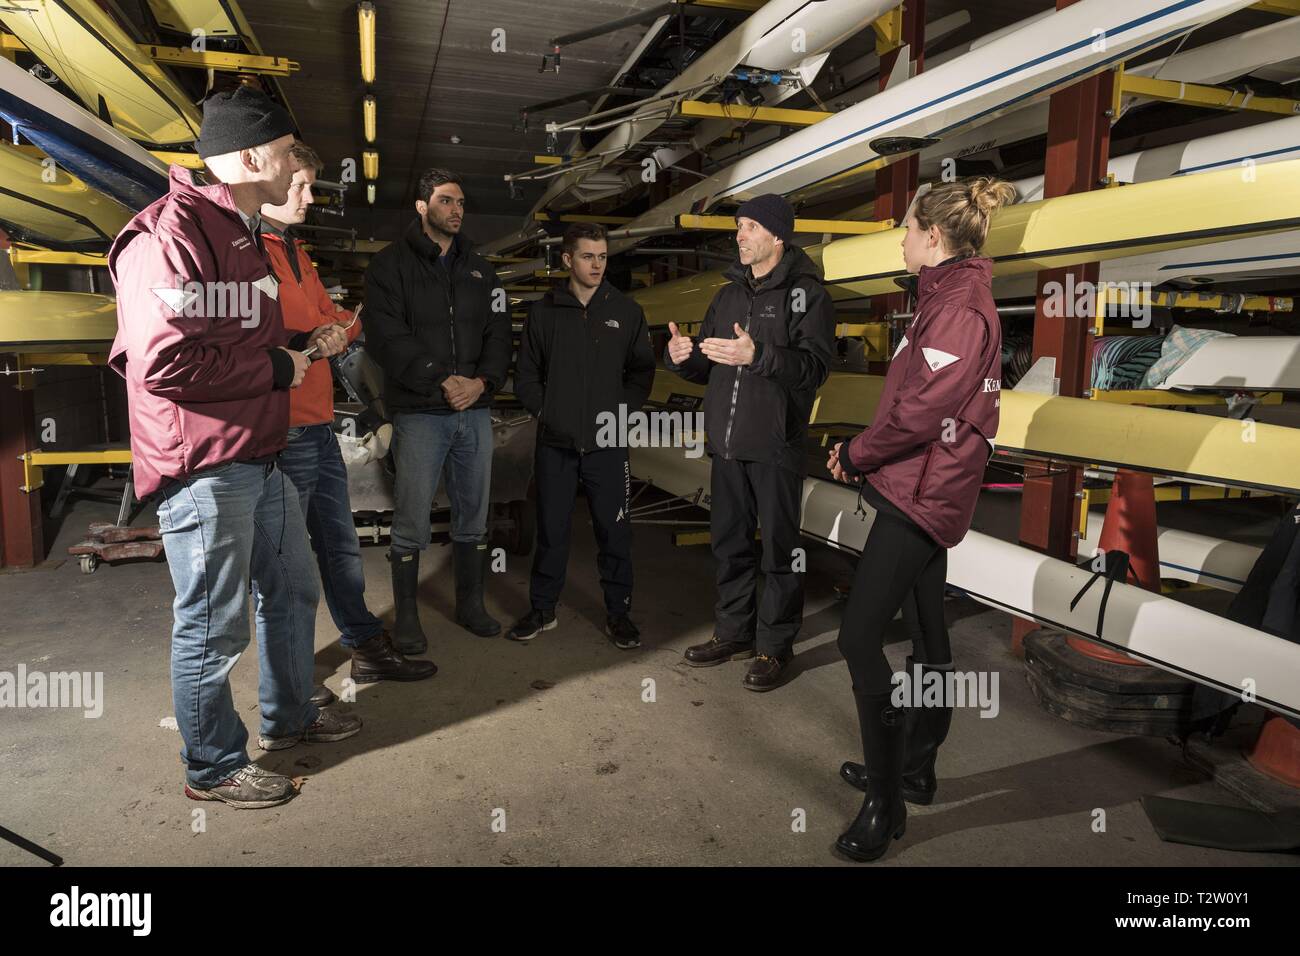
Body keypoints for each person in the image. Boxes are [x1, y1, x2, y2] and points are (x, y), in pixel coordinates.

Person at [108, 88, 361, 810]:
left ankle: (288, 719)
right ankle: (214, 766)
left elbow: (230, 342)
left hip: (259, 450)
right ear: (252, 157)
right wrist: (278, 368)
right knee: (214, 625)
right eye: (287, 155)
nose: (294, 169)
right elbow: (162, 364)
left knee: (292, 587)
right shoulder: (168, 236)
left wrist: (291, 346)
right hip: (203, 465)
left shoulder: (240, 230)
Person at [828, 176, 1015, 862]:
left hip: (921, 497)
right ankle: (914, 768)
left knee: (858, 638)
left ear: (931, 237)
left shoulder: (960, 309)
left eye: (906, 229)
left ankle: (885, 802)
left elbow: (920, 414)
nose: (902, 240)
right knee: (930, 633)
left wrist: (855, 452)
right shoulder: (947, 301)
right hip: (923, 487)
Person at [259, 142, 435, 688]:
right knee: (287, 573)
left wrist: (340, 328)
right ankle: (290, 693)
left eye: (312, 185)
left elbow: (334, 317)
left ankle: (364, 648)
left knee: (341, 552)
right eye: (301, 187)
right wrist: (309, 333)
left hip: (316, 424)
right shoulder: (248, 252)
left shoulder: (295, 250)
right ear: (268, 182)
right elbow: (252, 338)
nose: (310, 197)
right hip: (280, 431)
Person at [665, 194, 834, 691]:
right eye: (738, 226)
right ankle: (733, 632)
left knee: (780, 551)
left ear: (778, 236)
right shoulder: (728, 295)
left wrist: (758, 354)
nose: (739, 235)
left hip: (776, 445)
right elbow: (709, 366)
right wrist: (683, 357)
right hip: (728, 445)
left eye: (750, 227)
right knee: (730, 544)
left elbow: (814, 370)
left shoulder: (808, 296)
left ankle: (773, 647)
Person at [363, 168, 513, 654]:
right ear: (422, 205)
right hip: (421, 411)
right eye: (447, 201)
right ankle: (406, 616)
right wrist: (440, 377)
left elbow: (499, 332)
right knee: (412, 518)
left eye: (461, 203)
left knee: (474, 515)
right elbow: (387, 337)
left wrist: (482, 381)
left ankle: (471, 605)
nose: (457, 210)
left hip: (473, 410)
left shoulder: (480, 268)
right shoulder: (389, 266)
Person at [510, 223, 655, 648]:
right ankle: (542, 609)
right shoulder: (544, 311)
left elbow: (641, 373)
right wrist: (548, 413)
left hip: (608, 446)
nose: (597, 264)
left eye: (603, 257)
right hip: (556, 443)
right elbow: (526, 377)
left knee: (615, 531)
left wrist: (619, 415)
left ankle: (619, 614)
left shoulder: (627, 312)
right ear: (568, 260)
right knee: (552, 529)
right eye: (588, 256)